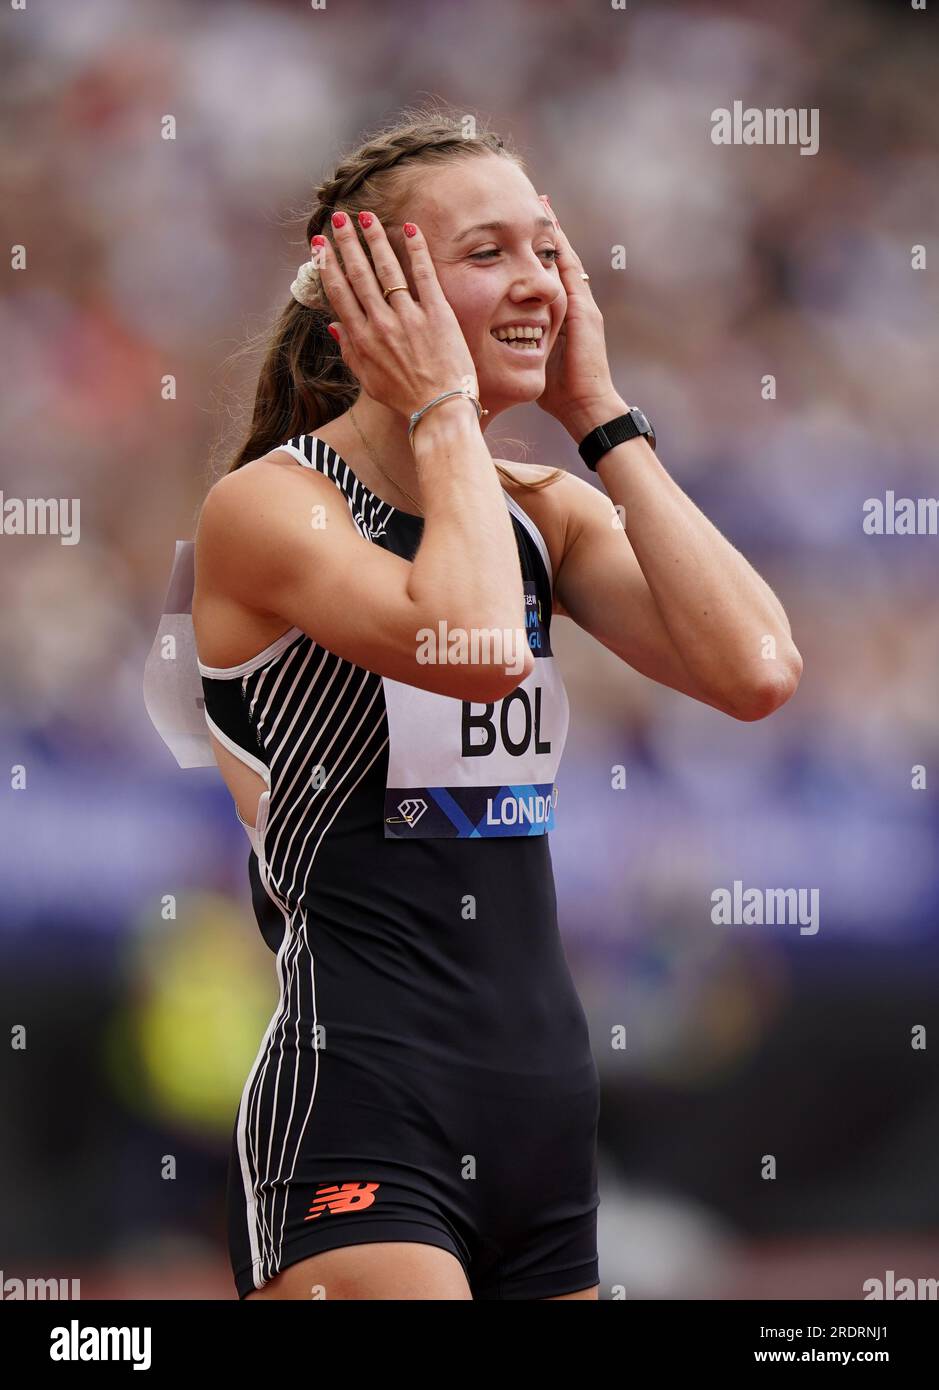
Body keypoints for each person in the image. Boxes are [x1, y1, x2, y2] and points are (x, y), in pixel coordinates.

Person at [190, 109, 802, 1301]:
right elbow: (469, 646)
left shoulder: (543, 509)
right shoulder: (273, 509)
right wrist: (440, 408)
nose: (538, 284)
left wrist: (601, 418)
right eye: (489, 253)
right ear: (376, 291)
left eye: (549, 249)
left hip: (541, 1118)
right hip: (358, 1107)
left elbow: (757, 670)